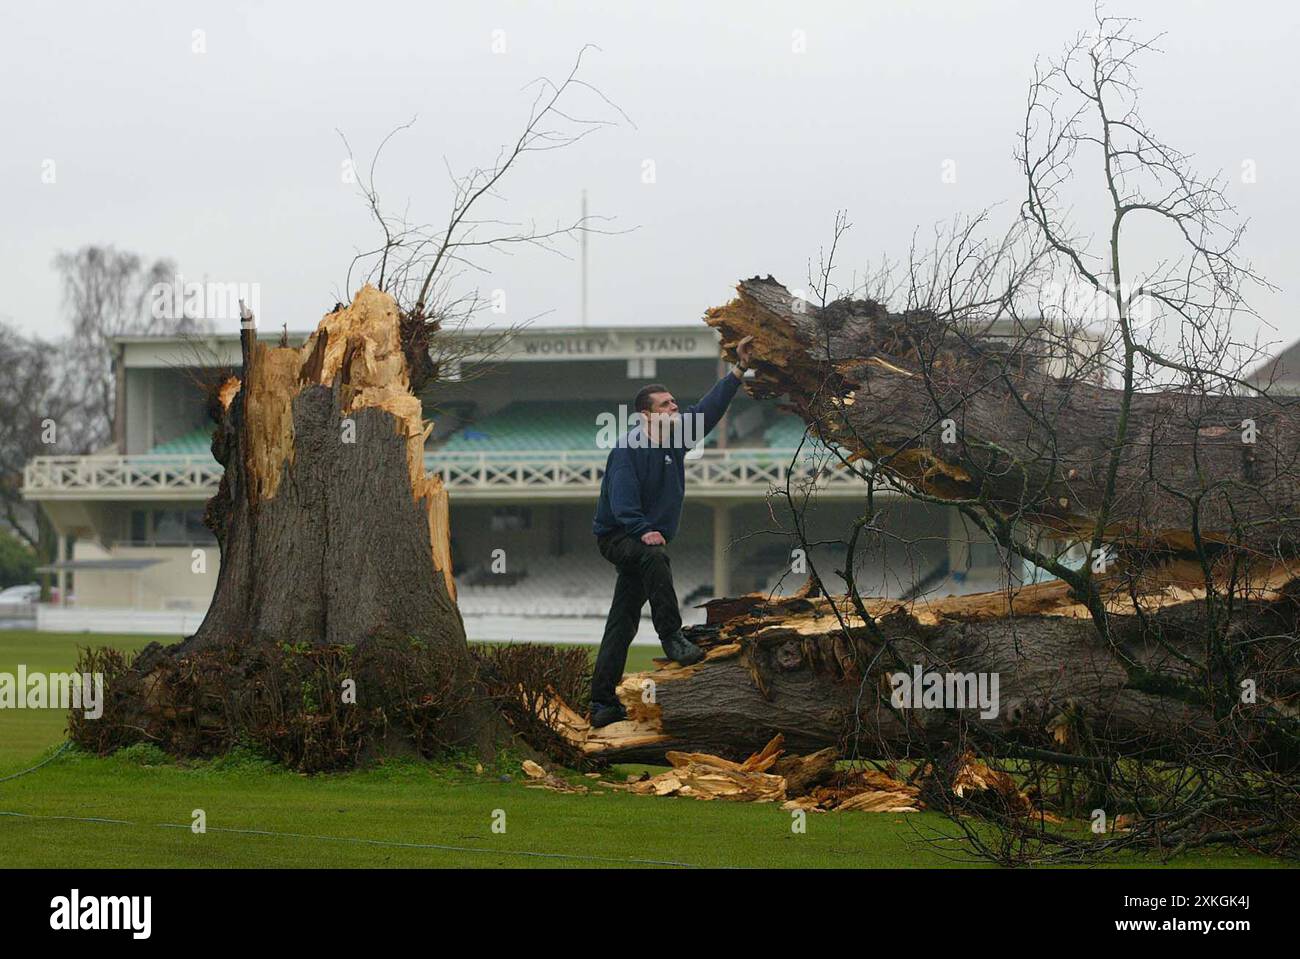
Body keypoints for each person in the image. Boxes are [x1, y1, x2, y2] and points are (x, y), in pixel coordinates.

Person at [588, 336, 755, 728]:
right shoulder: (627, 449)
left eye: (674, 403)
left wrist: (738, 369)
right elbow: (622, 504)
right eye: (665, 405)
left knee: (623, 621)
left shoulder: (677, 440)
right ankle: (672, 638)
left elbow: (709, 410)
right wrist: (644, 530)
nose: (674, 407)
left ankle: (601, 703)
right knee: (655, 556)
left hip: (644, 540)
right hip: (618, 537)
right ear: (646, 416)